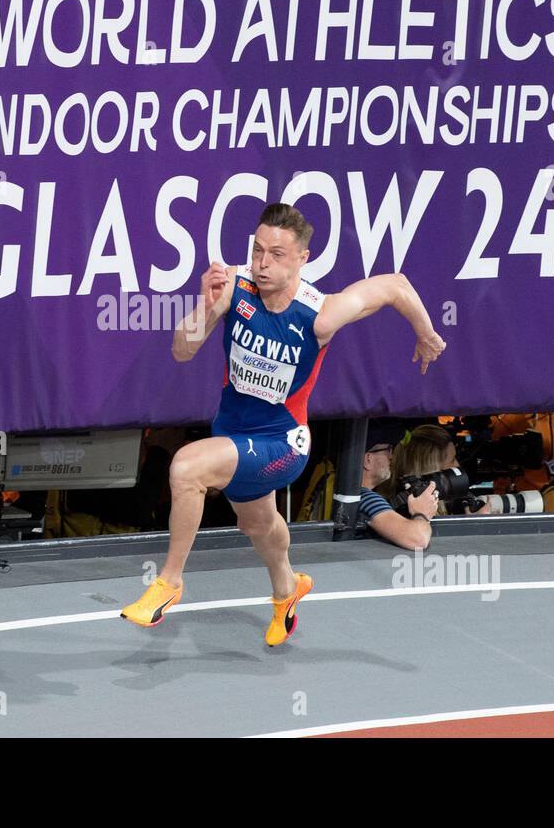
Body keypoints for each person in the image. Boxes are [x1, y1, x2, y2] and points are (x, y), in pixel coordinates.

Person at [121, 202, 446, 645]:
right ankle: (287, 588)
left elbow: (395, 286)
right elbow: (182, 350)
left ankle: (169, 582)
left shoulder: (320, 314)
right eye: (257, 251)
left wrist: (426, 334)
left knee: (185, 468)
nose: (262, 263)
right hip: (234, 434)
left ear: (302, 259)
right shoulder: (234, 289)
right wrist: (204, 306)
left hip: (283, 444)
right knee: (258, 525)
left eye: (276, 254)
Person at [357, 420, 440, 550]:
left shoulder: (342, 490)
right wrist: (421, 513)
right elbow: (418, 540)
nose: (392, 456)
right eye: (388, 450)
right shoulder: (363, 498)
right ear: (368, 459)